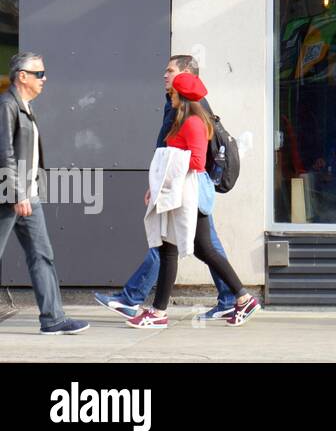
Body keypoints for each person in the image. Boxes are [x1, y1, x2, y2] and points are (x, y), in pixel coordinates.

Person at [95, 55, 238, 321]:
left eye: (170, 70)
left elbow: (191, 155)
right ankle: (232, 297)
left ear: (186, 76)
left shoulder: (192, 108)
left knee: (175, 245)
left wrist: (163, 179)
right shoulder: (177, 104)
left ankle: (137, 300)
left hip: (187, 186)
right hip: (180, 184)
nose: (165, 75)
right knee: (198, 246)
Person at [130, 72, 260, 328]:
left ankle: (159, 313)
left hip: (189, 192)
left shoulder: (192, 123)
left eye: (172, 93)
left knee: (177, 249)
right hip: (181, 190)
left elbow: (198, 162)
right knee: (191, 249)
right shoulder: (185, 119)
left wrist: (167, 166)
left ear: (181, 96)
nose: (170, 97)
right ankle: (242, 298)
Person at [0, 53, 89, 335]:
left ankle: (53, 319)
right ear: (22, 76)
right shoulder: (6, 105)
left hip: (27, 194)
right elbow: (5, 154)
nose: (44, 78)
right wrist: (16, 194)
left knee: (42, 254)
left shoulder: (23, 105)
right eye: (39, 73)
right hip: (9, 195)